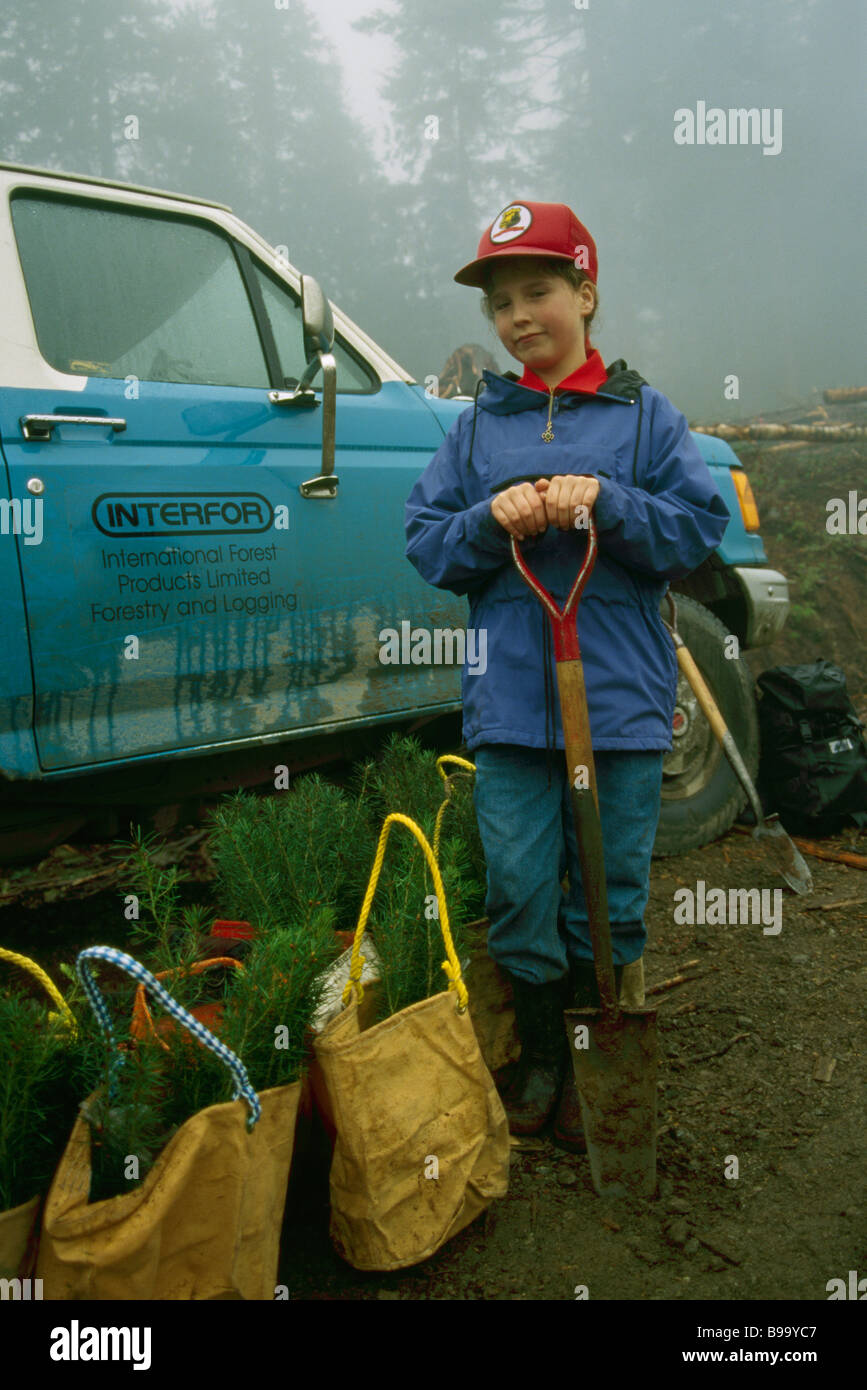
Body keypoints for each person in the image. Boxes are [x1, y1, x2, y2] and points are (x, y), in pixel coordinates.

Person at [404, 200, 730, 1150]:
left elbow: (695, 530)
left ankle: (604, 1044)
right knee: (515, 883)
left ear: (585, 294)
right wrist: (485, 520)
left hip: (620, 702)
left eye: (537, 291)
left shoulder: (642, 419)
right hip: (509, 702)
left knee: (608, 886)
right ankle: (544, 1051)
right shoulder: (476, 432)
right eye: (499, 302)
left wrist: (609, 501)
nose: (517, 316)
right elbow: (428, 544)